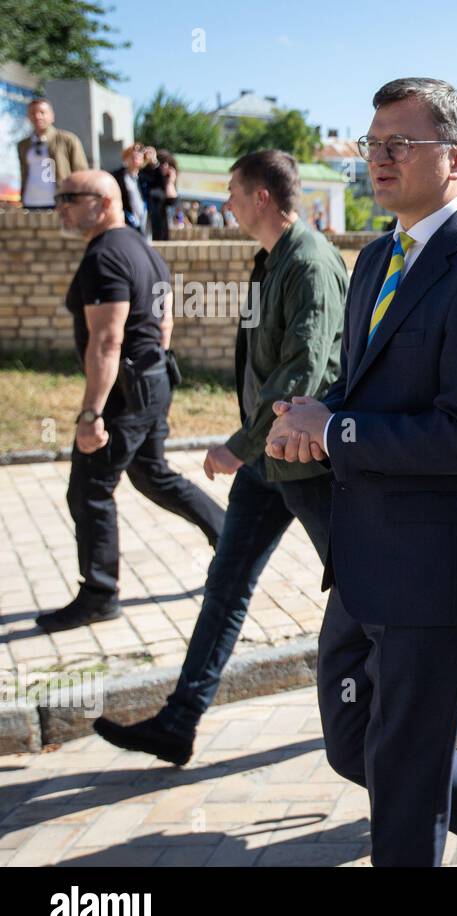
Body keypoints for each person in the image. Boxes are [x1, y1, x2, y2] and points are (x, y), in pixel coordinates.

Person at [265, 77, 457, 868]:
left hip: (441, 566)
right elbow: (365, 391)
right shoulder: (376, 259)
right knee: (355, 740)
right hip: (366, 554)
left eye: (400, 144)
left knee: (402, 778)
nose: (379, 158)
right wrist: (312, 417)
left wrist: (338, 431)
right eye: (373, 143)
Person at [91, 150, 346, 765]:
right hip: (269, 465)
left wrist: (239, 444)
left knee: (360, 592)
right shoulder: (270, 259)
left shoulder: (309, 261)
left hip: (305, 463)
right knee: (225, 586)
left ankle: (398, 708)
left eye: (233, 191)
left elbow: (304, 370)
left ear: (261, 196)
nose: (225, 202)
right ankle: (179, 721)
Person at [35, 170, 225, 633]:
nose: (60, 206)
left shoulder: (105, 256)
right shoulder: (141, 248)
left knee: (90, 489)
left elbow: (106, 341)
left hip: (126, 391)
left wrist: (91, 414)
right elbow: (164, 321)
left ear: (103, 202)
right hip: (153, 379)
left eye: (69, 198)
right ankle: (232, 537)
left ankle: (99, 594)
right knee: (152, 474)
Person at [16, 98, 87, 211]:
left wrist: (78, 198)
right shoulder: (23, 145)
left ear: (52, 116)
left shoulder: (67, 139)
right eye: (33, 113)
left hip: (59, 201)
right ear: (28, 117)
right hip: (30, 202)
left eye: (42, 112)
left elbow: (80, 172)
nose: (37, 116)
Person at [111, 144, 151, 236]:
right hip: (127, 220)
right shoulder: (118, 176)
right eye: (132, 155)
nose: (136, 156)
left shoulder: (145, 177)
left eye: (139, 154)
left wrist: (153, 161)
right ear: (126, 158)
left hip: (144, 220)